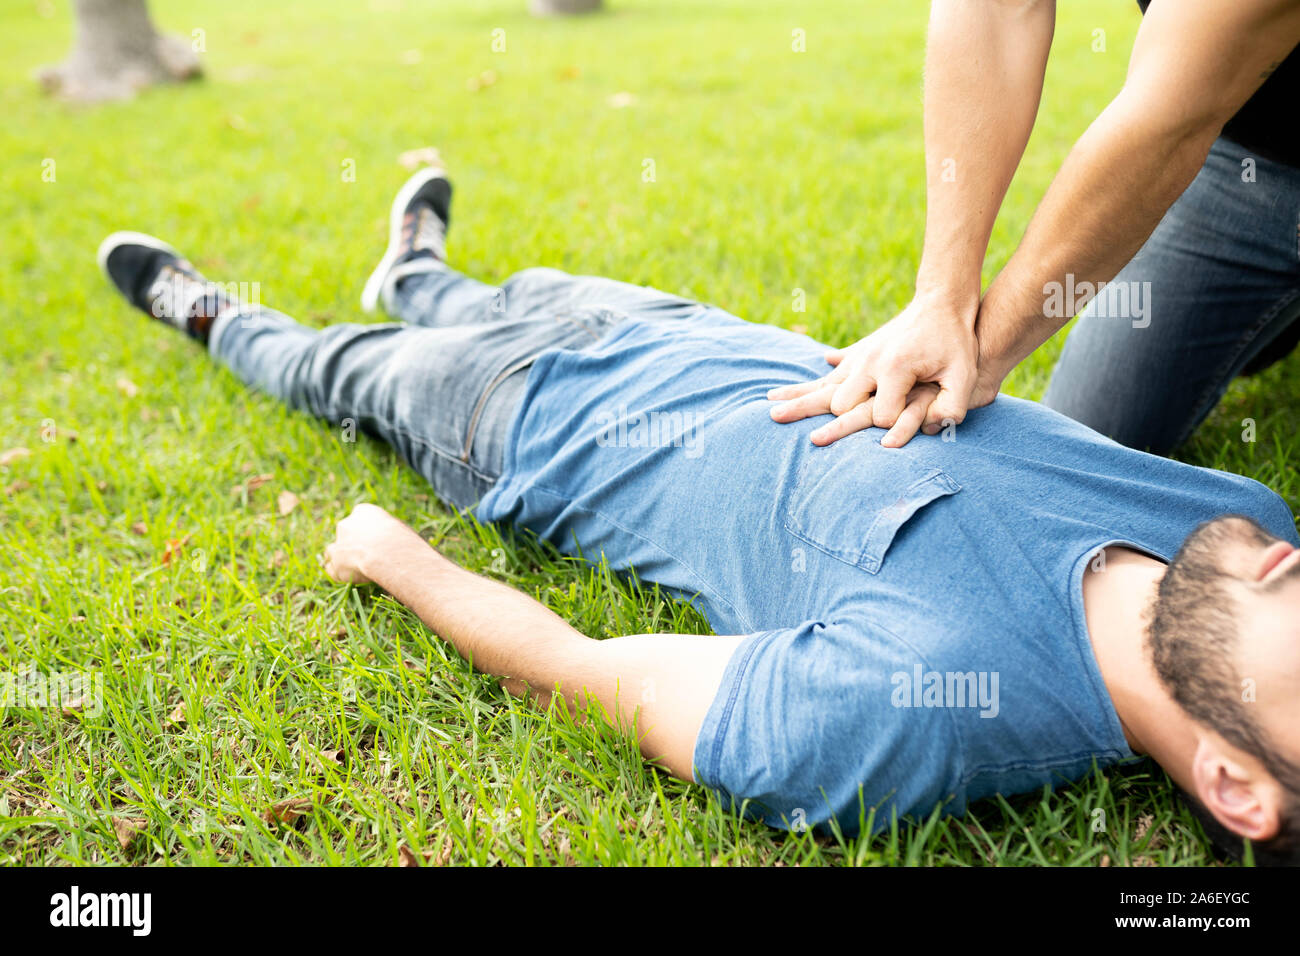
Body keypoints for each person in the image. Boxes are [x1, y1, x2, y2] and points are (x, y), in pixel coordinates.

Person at [98, 167, 1300, 862]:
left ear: (1238, 786)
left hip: (523, 427)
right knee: (490, 289)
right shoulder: (1237, 516)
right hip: (688, 331)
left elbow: (582, 668)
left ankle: (213, 314)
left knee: (332, 369)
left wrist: (397, 561)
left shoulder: (902, 720)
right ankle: (415, 269)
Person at [769, 0, 1300, 455]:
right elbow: (997, 10)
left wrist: (980, 358)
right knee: (1091, 423)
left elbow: (1166, 126)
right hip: (1243, 165)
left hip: (1189, 126)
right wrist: (941, 301)